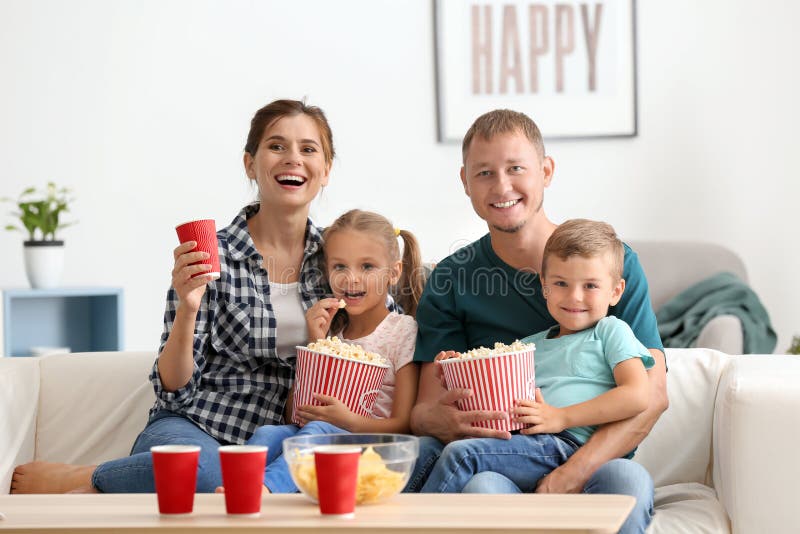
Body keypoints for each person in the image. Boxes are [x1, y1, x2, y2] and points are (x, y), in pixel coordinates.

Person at [10, 98, 338, 493]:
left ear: (326, 170)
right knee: (212, 474)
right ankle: (86, 477)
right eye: (276, 146)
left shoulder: (339, 264)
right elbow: (174, 387)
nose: (293, 159)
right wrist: (188, 306)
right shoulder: (211, 254)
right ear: (250, 164)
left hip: (280, 442)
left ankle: (125, 476)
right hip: (196, 427)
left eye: (308, 149)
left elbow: (380, 341)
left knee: (332, 465)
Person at [406, 109, 667, 533]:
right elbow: (422, 414)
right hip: (498, 461)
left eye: (516, 169)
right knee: (481, 491)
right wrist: (445, 419)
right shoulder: (451, 279)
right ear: (465, 182)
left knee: (628, 484)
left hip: (595, 460)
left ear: (545, 171)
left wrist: (567, 477)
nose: (502, 186)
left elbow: (650, 397)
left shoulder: (610, 265)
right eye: (485, 173)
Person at [419, 218, 655, 493]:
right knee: (432, 453)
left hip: (568, 443)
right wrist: (454, 373)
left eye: (590, 286)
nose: (575, 297)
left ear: (615, 292)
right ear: (544, 286)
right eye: (561, 283)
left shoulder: (610, 331)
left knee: (463, 455)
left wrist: (561, 417)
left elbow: (638, 395)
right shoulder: (528, 346)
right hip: (528, 446)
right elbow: (501, 400)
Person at [242, 209, 423, 493]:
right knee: (269, 433)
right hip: (318, 436)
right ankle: (234, 487)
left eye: (367, 267)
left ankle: (261, 491)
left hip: (371, 450)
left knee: (318, 431)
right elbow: (294, 416)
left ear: (394, 272)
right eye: (340, 267)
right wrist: (316, 346)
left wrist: (346, 421)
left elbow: (404, 425)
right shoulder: (332, 335)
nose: (351, 279)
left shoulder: (402, 331)